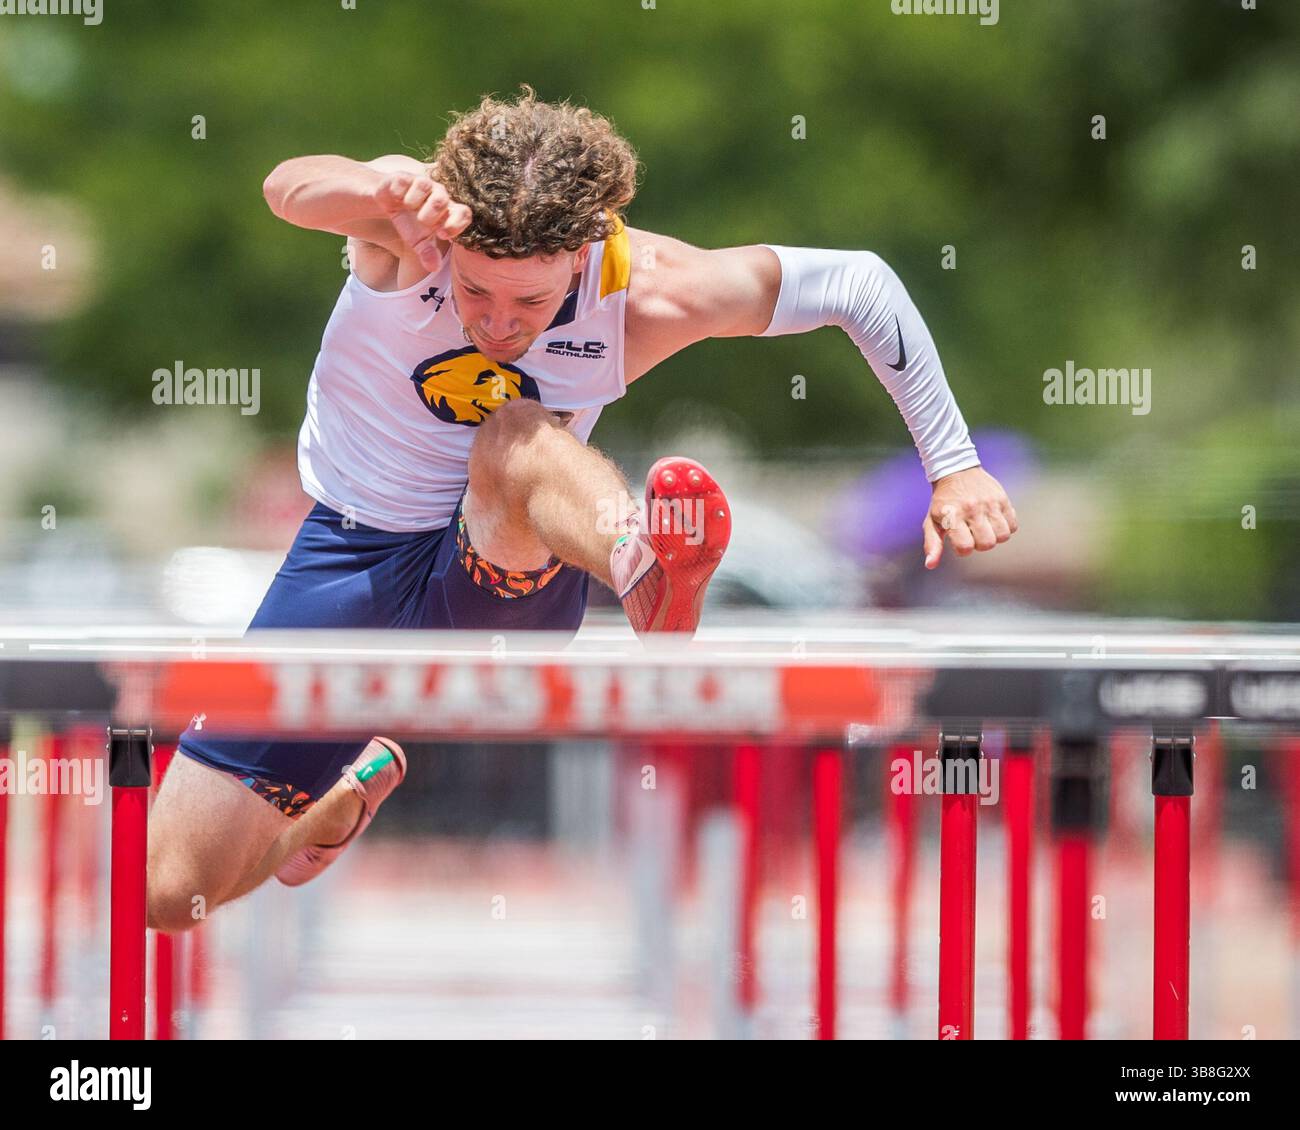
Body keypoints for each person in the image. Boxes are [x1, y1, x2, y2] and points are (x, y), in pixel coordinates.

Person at [147, 85, 1017, 931]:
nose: (497, 322)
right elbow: (286, 186)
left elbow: (858, 285)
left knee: (514, 435)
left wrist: (955, 465)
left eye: (530, 301)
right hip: (347, 557)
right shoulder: (406, 220)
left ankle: (644, 570)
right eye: (476, 293)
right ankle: (332, 807)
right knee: (168, 892)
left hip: (509, 561)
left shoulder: (650, 290)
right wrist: (375, 189)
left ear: (583, 256)